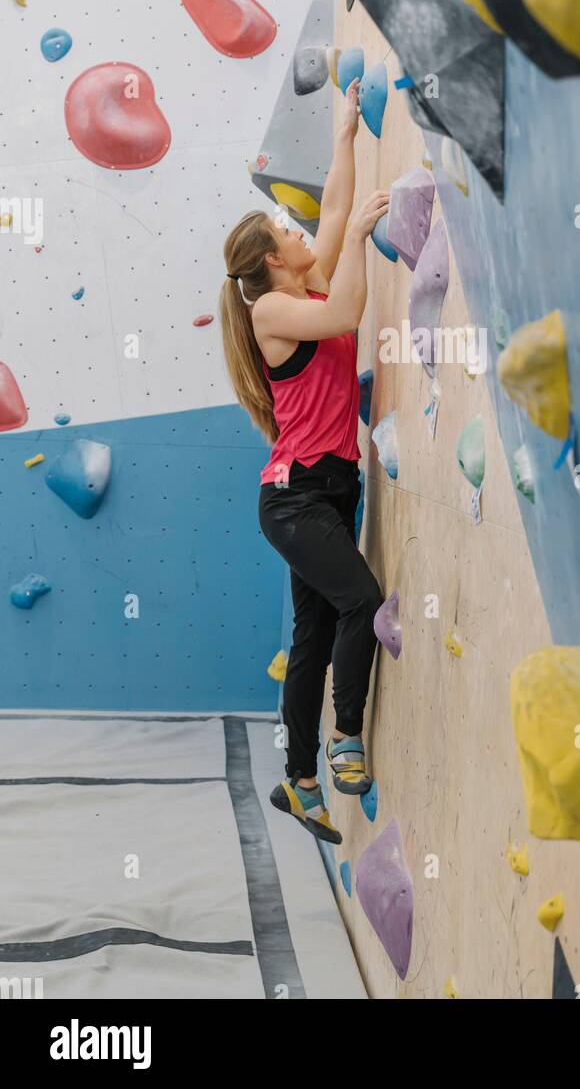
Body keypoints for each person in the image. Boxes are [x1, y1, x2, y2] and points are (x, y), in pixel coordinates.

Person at [219, 80, 389, 845]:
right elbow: (346, 312)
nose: (300, 231)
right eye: (286, 230)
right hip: (294, 501)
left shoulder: (306, 277)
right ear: (271, 260)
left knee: (314, 638)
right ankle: (345, 739)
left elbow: (336, 215)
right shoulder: (274, 310)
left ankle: (299, 779)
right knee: (362, 601)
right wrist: (350, 243)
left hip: (331, 488)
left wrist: (345, 137)